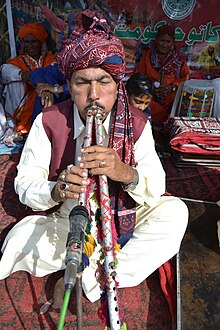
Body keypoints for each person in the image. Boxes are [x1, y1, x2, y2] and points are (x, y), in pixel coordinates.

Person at [0, 10, 188, 326]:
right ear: (69, 85)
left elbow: (155, 184)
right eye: (81, 83)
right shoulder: (48, 122)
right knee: (18, 240)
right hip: (68, 220)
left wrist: (123, 172)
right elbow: (26, 184)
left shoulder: (137, 124)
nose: (93, 96)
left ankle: (89, 280)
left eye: (103, 82)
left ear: (117, 85)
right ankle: (100, 268)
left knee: (175, 213)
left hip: (124, 218)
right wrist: (56, 189)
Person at [0, 22, 56, 134]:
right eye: (27, 42)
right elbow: (5, 71)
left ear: (41, 43)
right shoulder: (16, 62)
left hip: (47, 104)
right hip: (21, 111)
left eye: (34, 42)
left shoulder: (51, 59)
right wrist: (23, 75)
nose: (30, 45)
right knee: (14, 81)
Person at [135, 24, 190, 125]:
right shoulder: (147, 57)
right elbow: (138, 77)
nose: (164, 45)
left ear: (172, 43)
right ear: (156, 40)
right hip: (151, 98)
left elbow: (186, 78)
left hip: (171, 100)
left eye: (168, 41)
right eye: (162, 41)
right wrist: (151, 88)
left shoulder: (179, 59)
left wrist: (172, 87)